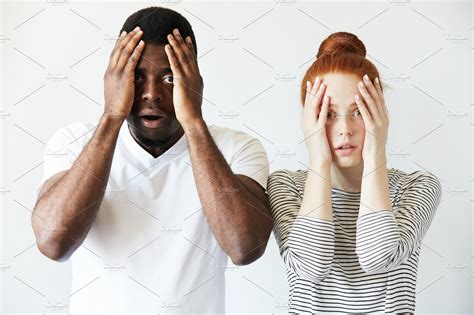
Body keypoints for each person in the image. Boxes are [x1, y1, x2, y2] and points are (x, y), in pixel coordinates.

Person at [31, 6, 272, 313]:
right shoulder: (72, 142)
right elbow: (53, 243)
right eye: (137, 77)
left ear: (193, 79)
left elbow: (244, 248)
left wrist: (194, 122)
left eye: (169, 77)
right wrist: (111, 116)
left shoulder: (236, 147)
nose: (151, 94)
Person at [267, 32, 442, 313]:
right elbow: (311, 267)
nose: (344, 128)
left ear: (379, 112)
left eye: (358, 112)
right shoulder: (286, 185)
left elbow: (378, 258)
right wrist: (319, 158)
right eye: (328, 114)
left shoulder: (417, 187)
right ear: (308, 118)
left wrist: (376, 151)